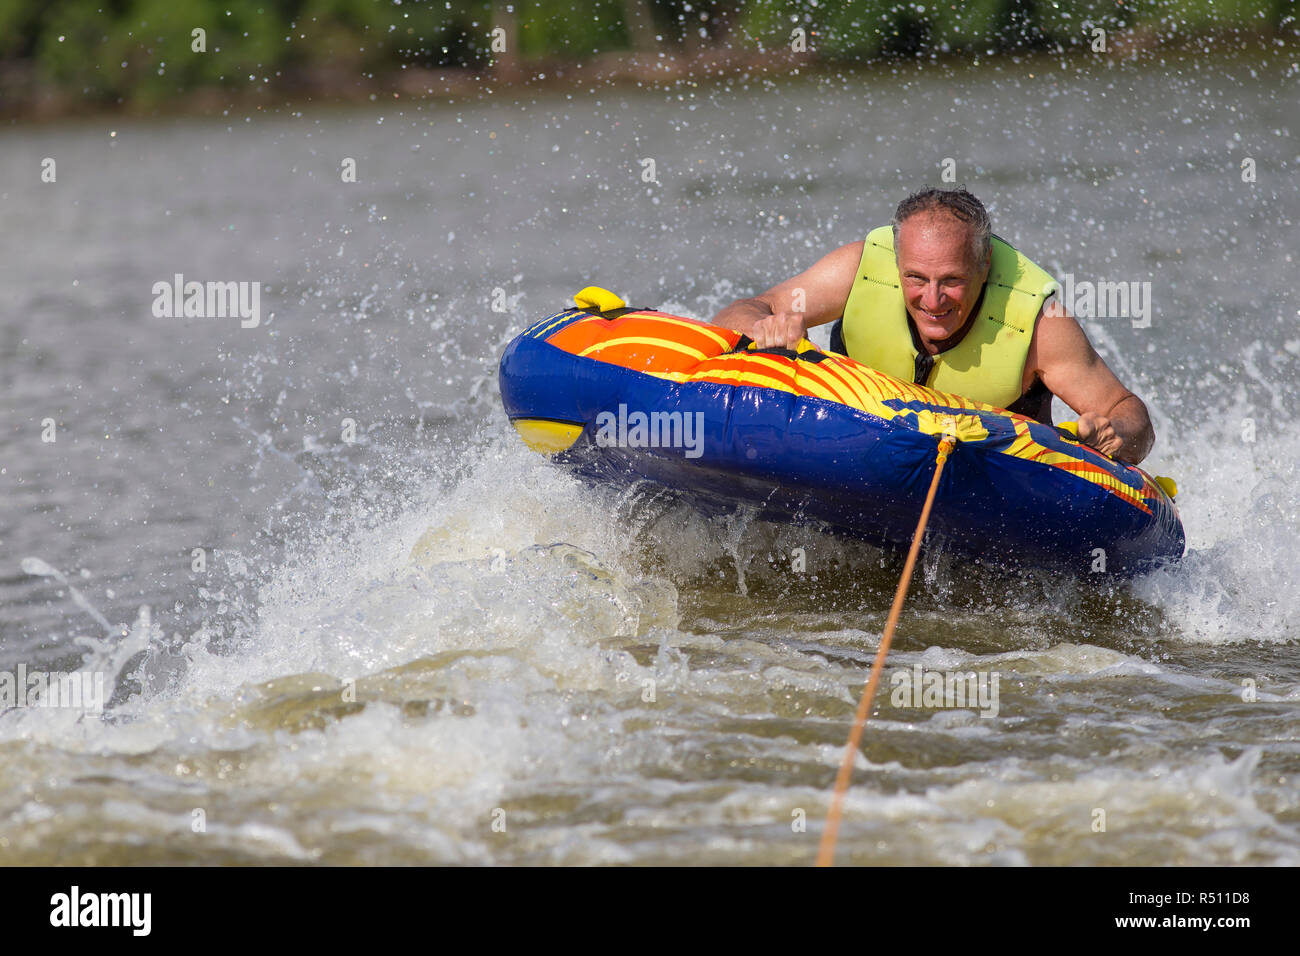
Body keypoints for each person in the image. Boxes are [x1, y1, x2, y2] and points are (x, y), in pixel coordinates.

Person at [710, 187, 1155, 465]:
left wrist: (1117, 434)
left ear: (985, 266)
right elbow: (743, 309)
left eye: (953, 281)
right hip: (859, 446)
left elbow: (1129, 413)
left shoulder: (1039, 323)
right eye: (917, 279)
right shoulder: (859, 268)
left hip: (987, 471)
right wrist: (763, 328)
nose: (933, 300)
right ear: (898, 264)